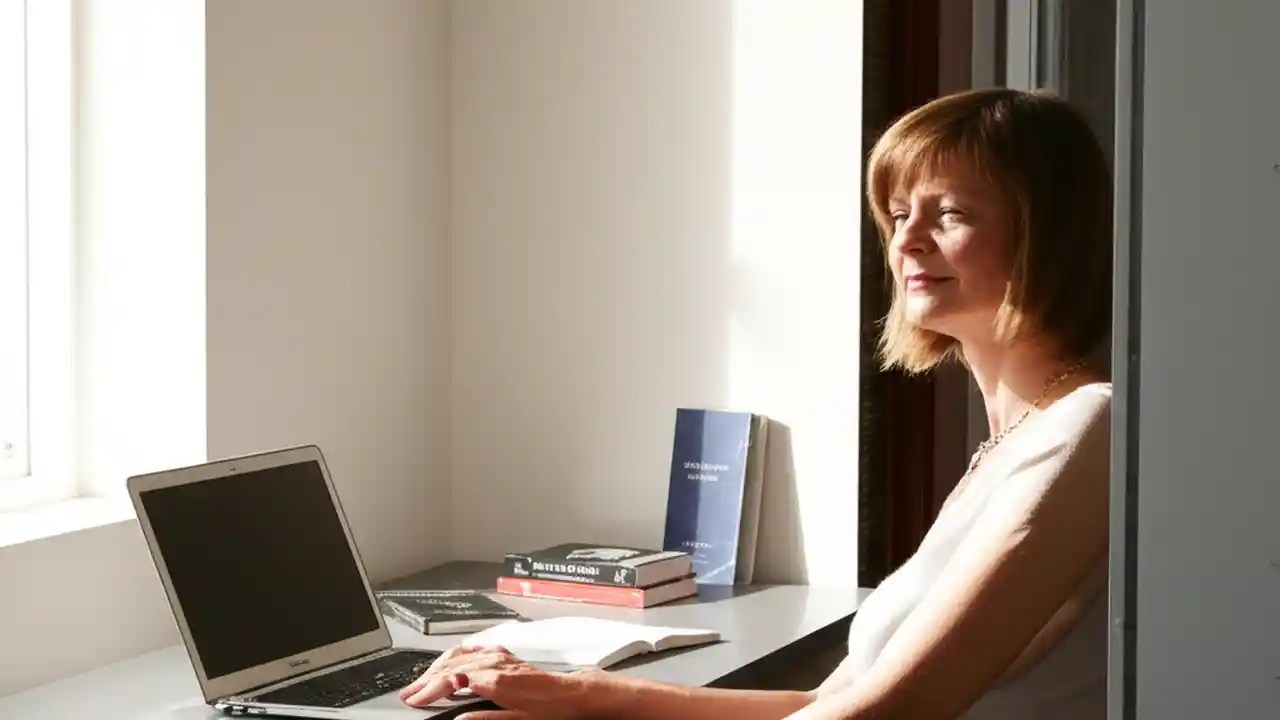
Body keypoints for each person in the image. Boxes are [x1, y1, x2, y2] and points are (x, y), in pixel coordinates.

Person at [399, 87, 1114, 720]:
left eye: (950, 213)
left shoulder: (1087, 425)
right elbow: (823, 702)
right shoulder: (1013, 443)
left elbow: (893, 712)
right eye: (897, 213)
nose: (906, 241)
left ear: (1044, 239)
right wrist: (573, 694)